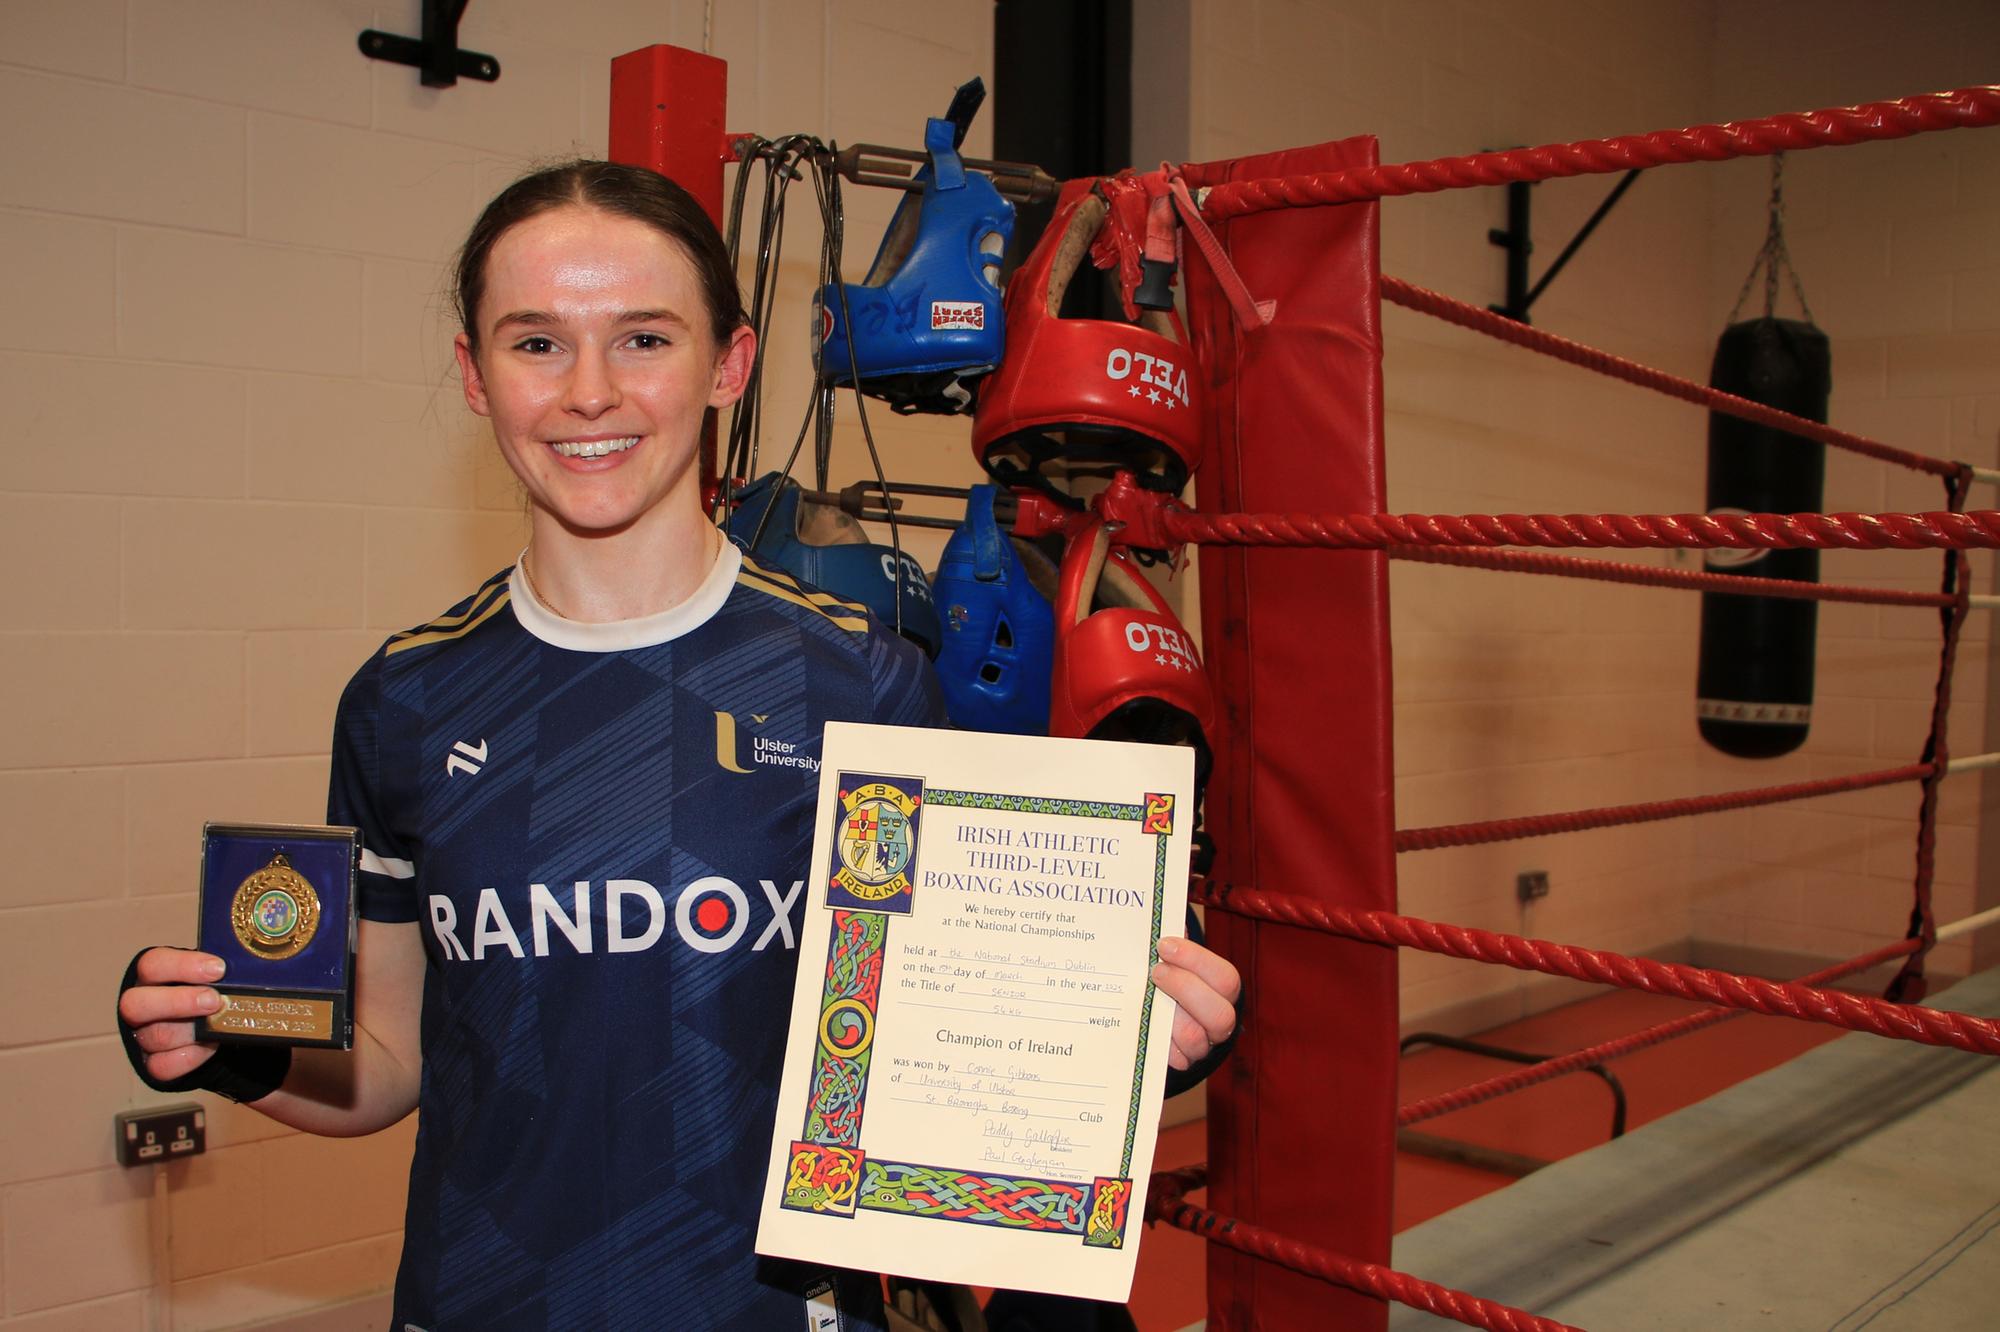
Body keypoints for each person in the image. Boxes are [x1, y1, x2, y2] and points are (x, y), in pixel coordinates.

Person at [116, 160, 1242, 1331]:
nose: (588, 392)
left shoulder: (859, 684)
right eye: (535, 342)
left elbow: (942, 1060)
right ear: (473, 375)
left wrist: (1112, 1043)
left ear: (730, 365)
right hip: (487, 1304)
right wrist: (227, 1051)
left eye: (643, 339)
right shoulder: (406, 701)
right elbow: (390, 1061)